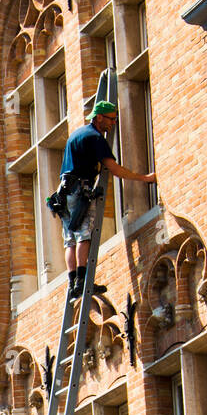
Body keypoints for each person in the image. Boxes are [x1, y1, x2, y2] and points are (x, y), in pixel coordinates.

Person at [56, 100, 157, 297]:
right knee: (84, 235)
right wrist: (144, 178)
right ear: (99, 117)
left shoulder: (75, 135)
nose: (112, 124)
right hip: (80, 190)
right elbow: (115, 169)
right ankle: (82, 283)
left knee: (70, 239)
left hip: (63, 193)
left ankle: (73, 282)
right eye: (111, 119)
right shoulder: (95, 138)